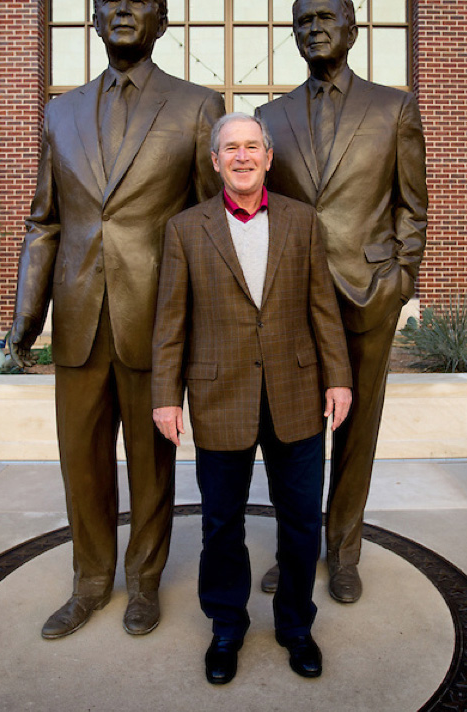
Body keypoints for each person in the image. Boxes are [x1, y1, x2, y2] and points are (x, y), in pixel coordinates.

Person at [9, 0, 225, 640]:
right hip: (76, 316)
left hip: (154, 318)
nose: (124, 9)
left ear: (161, 20)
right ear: (94, 17)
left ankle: (145, 582)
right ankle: (91, 580)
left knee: (152, 460)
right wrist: (23, 320)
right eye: (111, 0)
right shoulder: (60, 111)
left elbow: (208, 223)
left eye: (139, 0)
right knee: (82, 458)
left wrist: (208, 323)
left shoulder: (197, 106)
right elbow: (44, 222)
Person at [151, 113, 352, 685]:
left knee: (299, 523)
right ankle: (226, 627)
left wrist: (339, 377)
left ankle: (294, 625)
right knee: (220, 523)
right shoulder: (185, 229)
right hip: (220, 397)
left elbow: (322, 308)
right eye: (230, 148)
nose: (242, 156)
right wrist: (166, 397)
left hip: (296, 391)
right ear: (215, 161)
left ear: (268, 157)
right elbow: (171, 323)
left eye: (252, 147)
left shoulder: (303, 222)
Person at [255, 0, 428, 604]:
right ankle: (295, 548)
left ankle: (344, 551)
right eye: (301, 21)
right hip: (292, 302)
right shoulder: (269, 119)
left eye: (326, 18)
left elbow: (413, 206)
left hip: (368, 293)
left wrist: (399, 279)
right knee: (291, 436)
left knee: (357, 433)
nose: (313, 28)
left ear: (352, 30)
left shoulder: (394, 107)